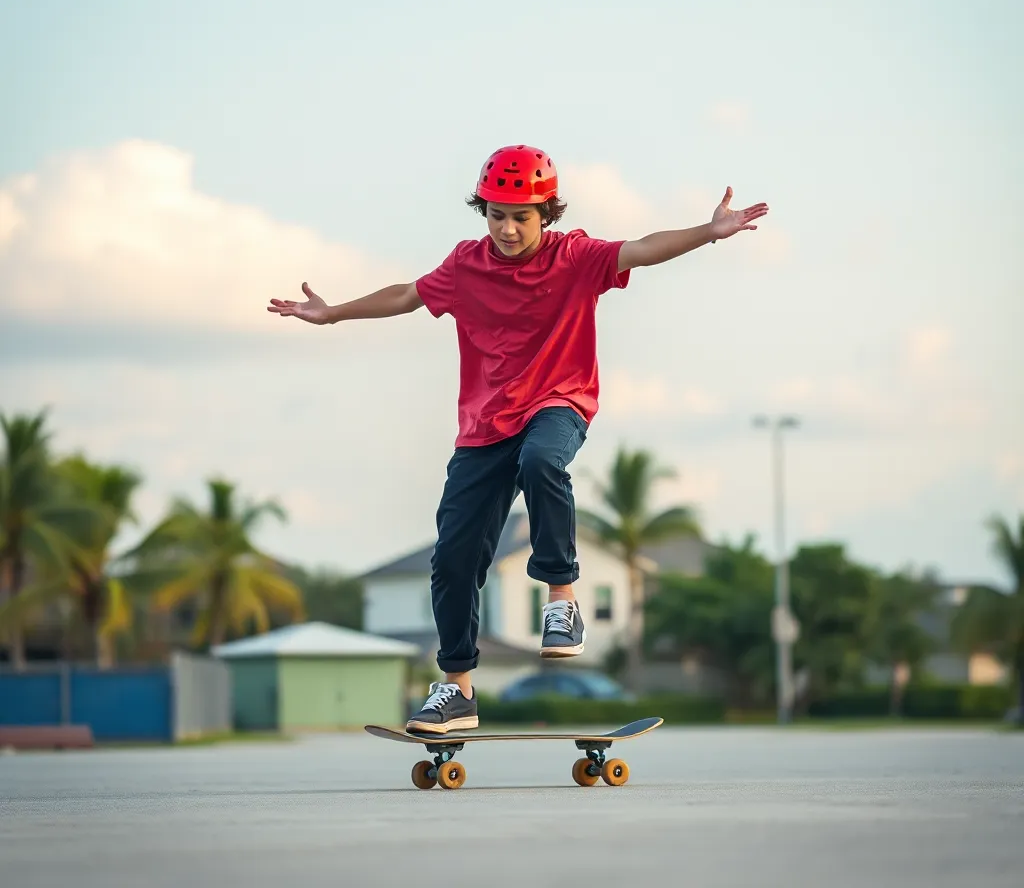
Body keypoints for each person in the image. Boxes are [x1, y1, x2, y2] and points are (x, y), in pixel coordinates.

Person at [268, 144, 769, 733]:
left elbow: (641, 248)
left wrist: (708, 233)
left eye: (521, 216)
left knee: (542, 461)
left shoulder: (576, 256)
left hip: (558, 403)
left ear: (546, 213)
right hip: (483, 429)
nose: (507, 228)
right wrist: (334, 315)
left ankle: (562, 600)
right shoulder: (465, 266)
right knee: (453, 559)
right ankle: (456, 691)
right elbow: (407, 295)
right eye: (496, 214)